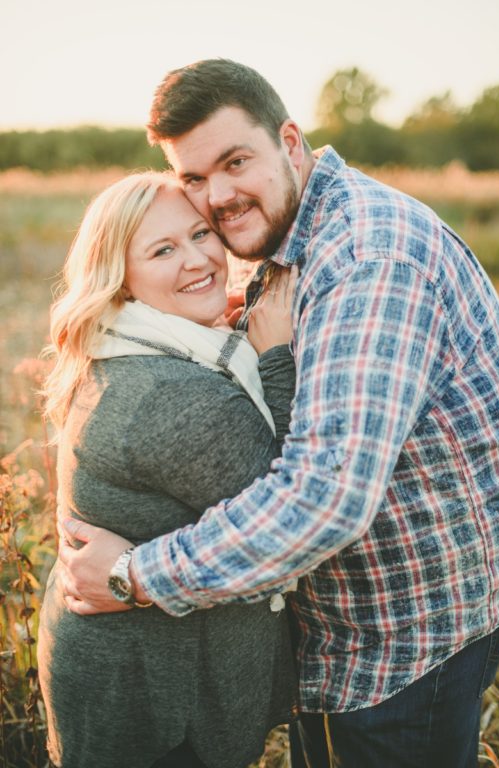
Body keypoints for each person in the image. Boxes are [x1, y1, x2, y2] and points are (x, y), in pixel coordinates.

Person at [57, 59, 499, 768]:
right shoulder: (293, 232)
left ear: (290, 144)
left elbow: (324, 497)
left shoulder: (369, 260)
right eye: (195, 178)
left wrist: (135, 577)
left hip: (392, 645)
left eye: (236, 161)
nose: (217, 198)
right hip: (360, 629)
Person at [38, 172, 297, 768]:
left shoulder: (129, 348)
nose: (199, 259)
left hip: (127, 682)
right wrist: (276, 354)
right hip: (158, 713)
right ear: (118, 280)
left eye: (201, 234)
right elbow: (289, 497)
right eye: (162, 250)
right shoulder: (168, 395)